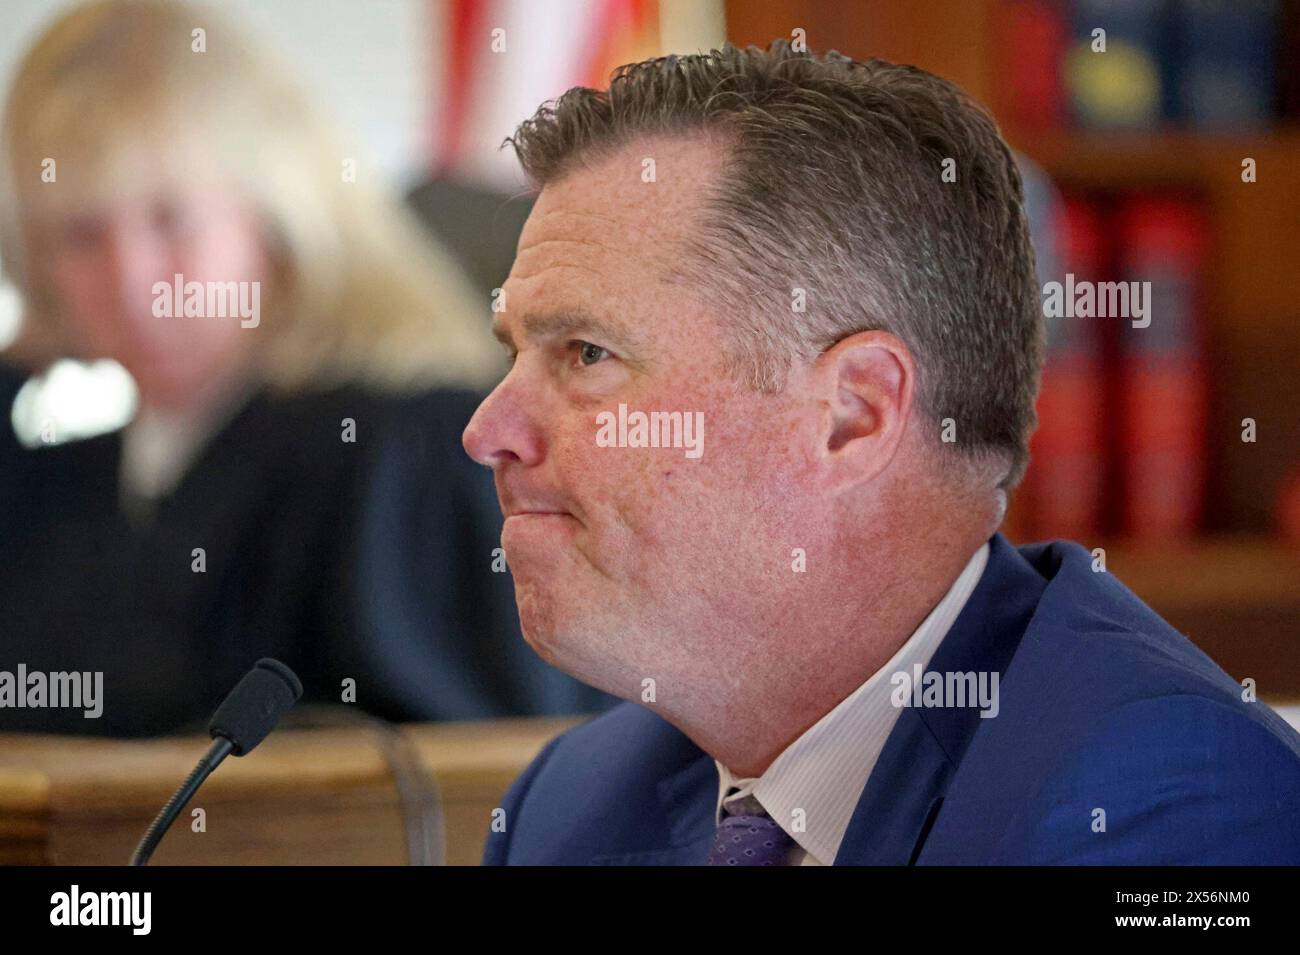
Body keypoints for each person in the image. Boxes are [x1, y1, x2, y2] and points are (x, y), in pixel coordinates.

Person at [464, 42, 1300, 865]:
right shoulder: (571, 803)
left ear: (852, 417)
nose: (487, 430)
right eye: (512, 353)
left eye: (586, 354)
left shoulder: (1164, 807)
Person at [0, 0, 614, 736]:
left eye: (171, 217)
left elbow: (486, 797)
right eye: (80, 233)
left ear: (276, 214)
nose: (133, 282)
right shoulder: (61, 481)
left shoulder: (395, 457)